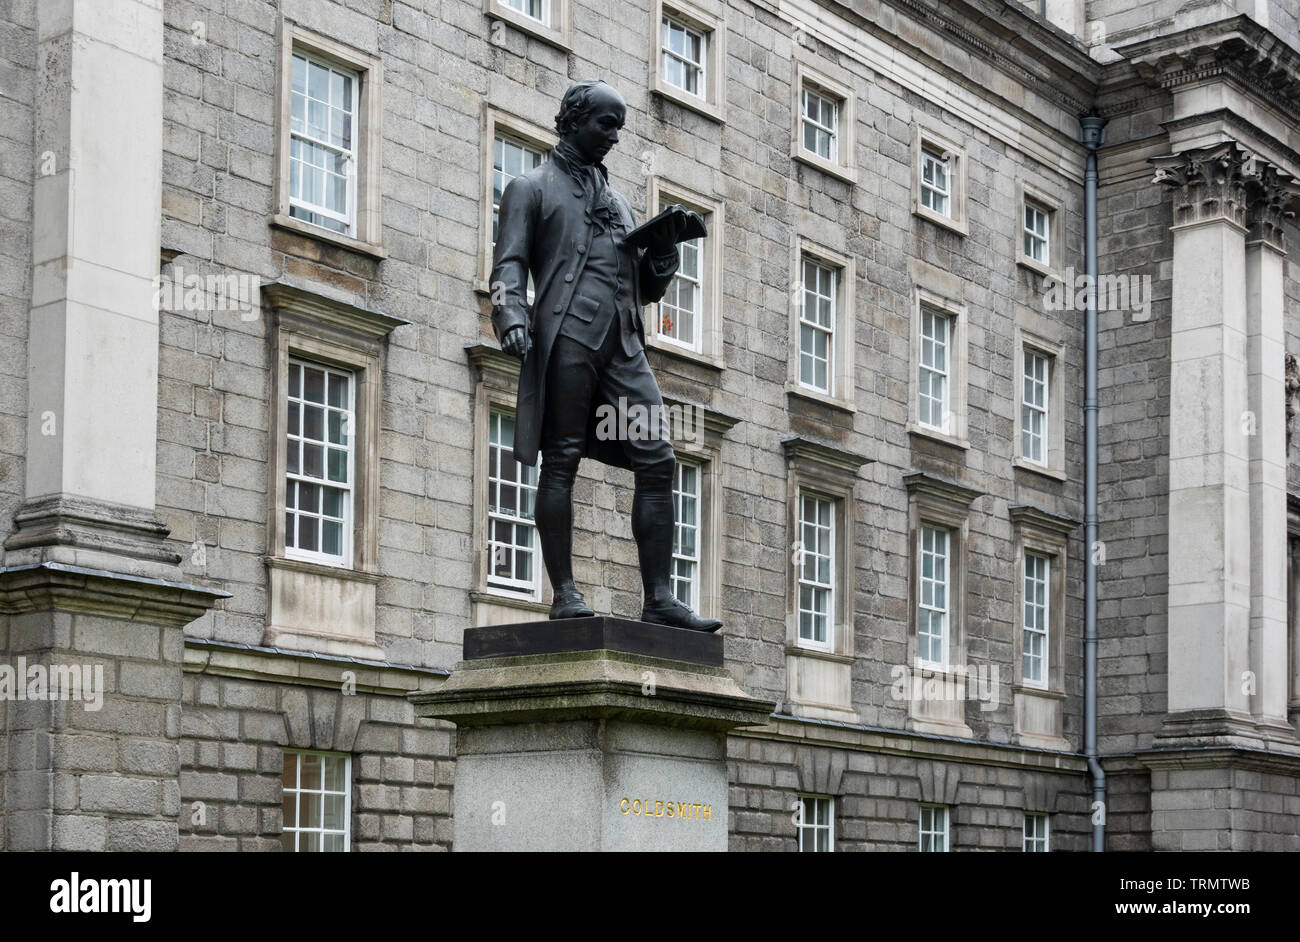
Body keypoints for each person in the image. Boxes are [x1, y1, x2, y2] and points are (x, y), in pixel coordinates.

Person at [490, 79, 722, 633]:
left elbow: (641, 284)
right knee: (561, 459)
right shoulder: (531, 186)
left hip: (623, 344)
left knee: (659, 457)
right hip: (568, 337)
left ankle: (659, 598)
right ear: (573, 121)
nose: (615, 137)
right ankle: (564, 592)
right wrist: (512, 317)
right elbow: (508, 264)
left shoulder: (617, 202)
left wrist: (664, 250)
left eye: (619, 126)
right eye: (606, 124)